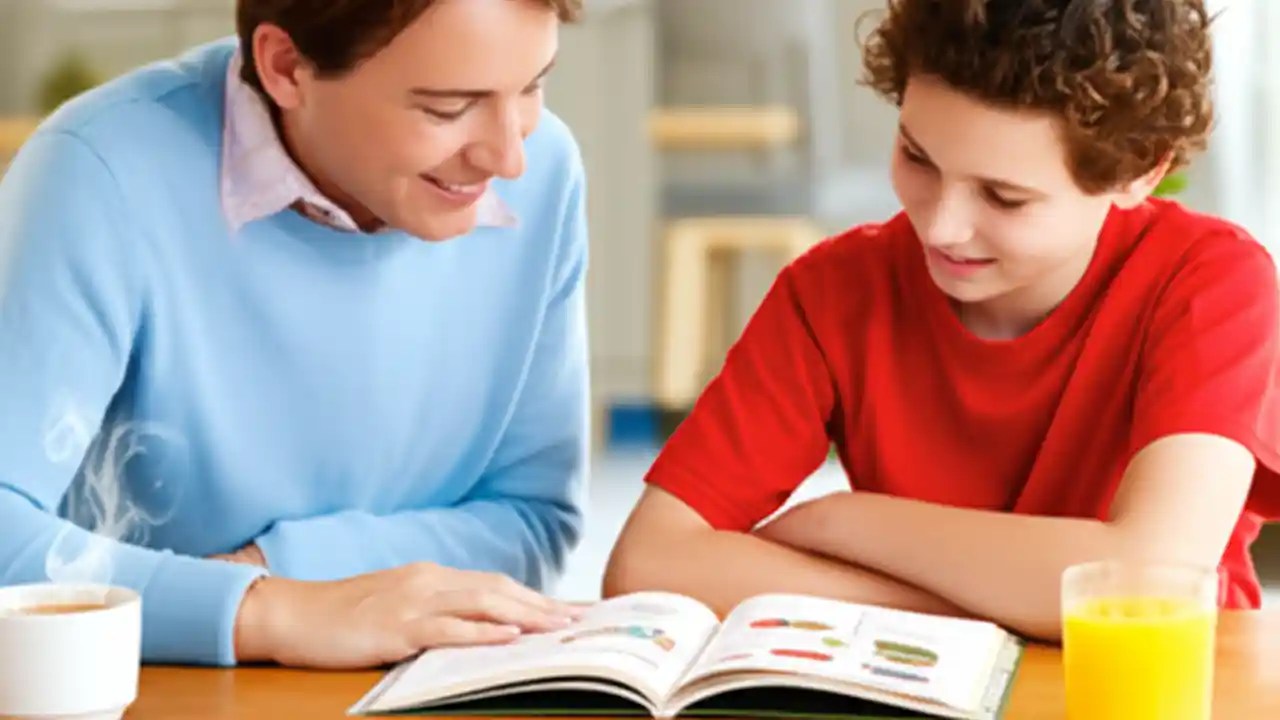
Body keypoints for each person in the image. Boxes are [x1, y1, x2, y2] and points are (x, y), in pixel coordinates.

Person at [605, 0, 1280, 640]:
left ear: (1141, 172)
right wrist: (990, 611)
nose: (943, 226)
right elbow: (650, 565)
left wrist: (851, 523)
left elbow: (1150, 582)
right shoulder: (835, 293)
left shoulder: (1209, 283)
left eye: (1004, 197)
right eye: (917, 157)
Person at [0, 0, 589, 668]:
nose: (509, 156)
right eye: (447, 108)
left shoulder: (546, 171)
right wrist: (266, 607)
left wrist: (279, 569)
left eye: (534, 85)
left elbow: (532, 521)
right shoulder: (99, 171)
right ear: (285, 67)